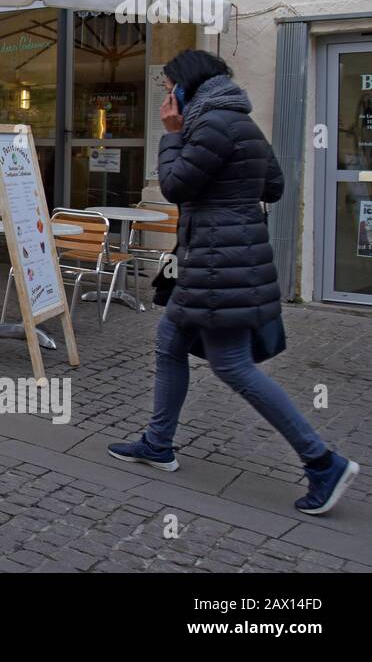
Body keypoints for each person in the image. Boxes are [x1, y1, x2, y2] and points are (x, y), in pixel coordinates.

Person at [108, 50, 358, 516]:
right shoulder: (240, 121)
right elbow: (274, 186)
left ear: (187, 87)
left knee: (231, 365)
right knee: (168, 343)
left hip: (219, 266)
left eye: (168, 88)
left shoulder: (208, 125)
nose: (166, 97)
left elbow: (176, 186)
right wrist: (232, 193)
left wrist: (172, 137)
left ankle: (322, 461)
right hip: (219, 260)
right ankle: (158, 443)